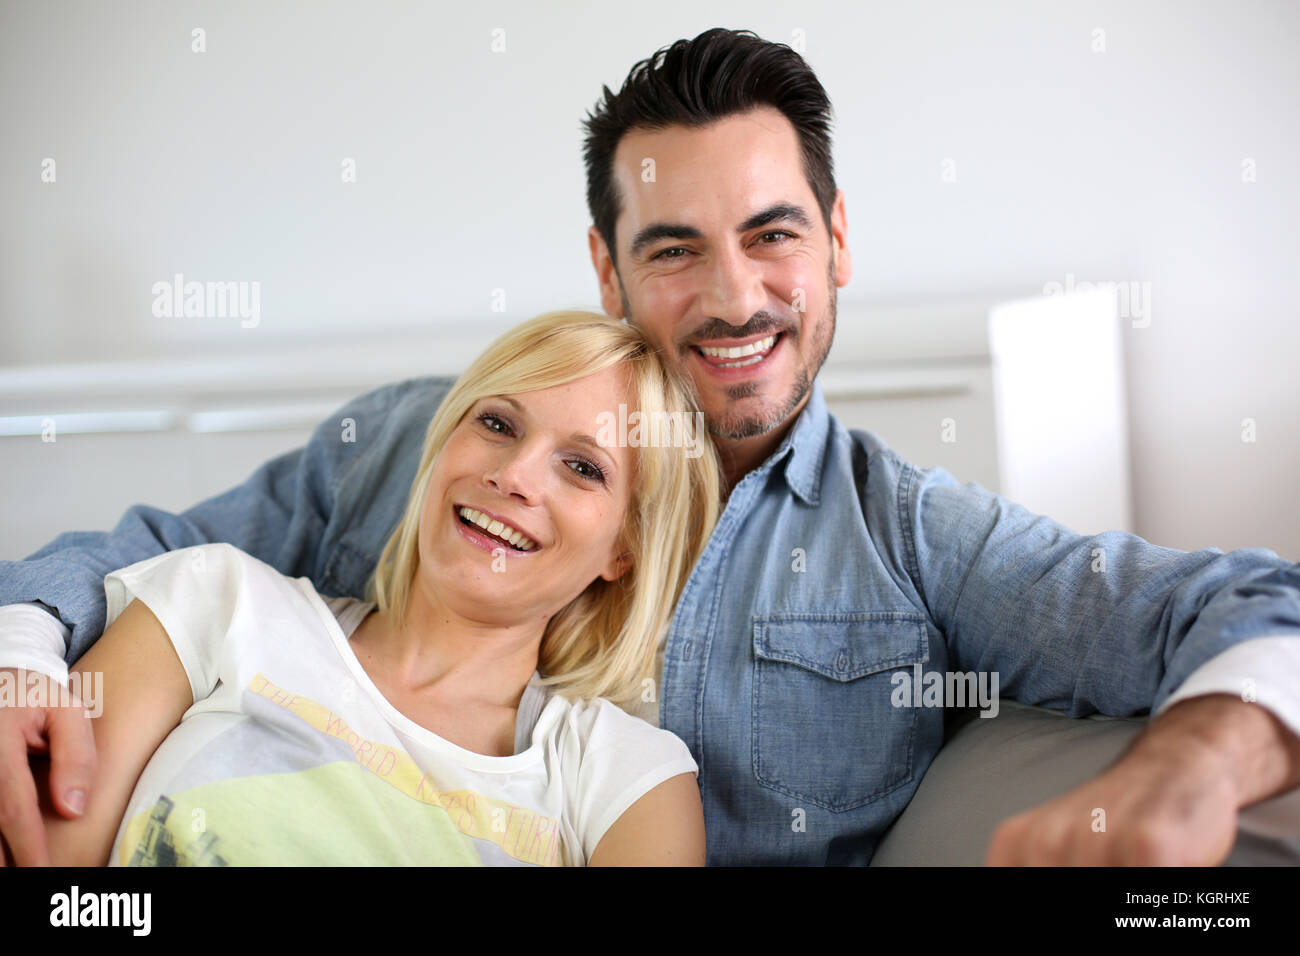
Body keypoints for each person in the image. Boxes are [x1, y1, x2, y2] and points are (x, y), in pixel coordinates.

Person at [4, 28, 1300, 867]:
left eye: (773, 234)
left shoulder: (908, 533)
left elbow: (1245, 604)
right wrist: (18, 662)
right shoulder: (425, 431)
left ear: (838, 240)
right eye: (674, 247)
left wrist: (1193, 764)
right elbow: (151, 559)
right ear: (607, 266)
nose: (734, 297)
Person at [24, 310, 722, 865]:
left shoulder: (627, 777)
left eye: (581, 467)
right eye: (498, 424)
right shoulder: (218, 600)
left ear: (624, 551)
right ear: (444, 441)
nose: (515, 476)